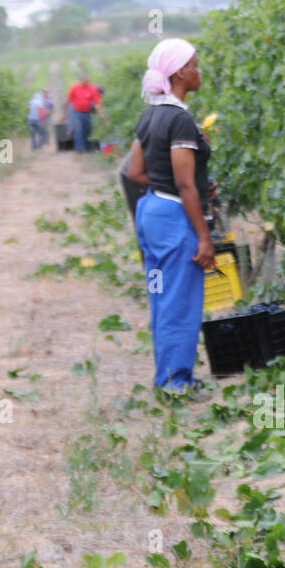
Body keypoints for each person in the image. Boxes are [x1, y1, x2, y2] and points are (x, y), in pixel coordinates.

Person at [125, 38, 220, 397]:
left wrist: (191, 184)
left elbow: (136, 172)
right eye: (194, 65)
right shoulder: (179, 119)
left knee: (162, 297)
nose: (199, 71)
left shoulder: (151, 113)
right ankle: (177, 383)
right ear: (180, 71)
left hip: (150, 211)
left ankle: (167, 378)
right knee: (180, 300)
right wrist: (205, 238)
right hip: (173, 216)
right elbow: (184, 183)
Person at [66, 75, 102, 153]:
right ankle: (79, 148)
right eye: (85, 81)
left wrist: (101, 115)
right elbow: (68, 101)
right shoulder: (75, 88)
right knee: (78, 129)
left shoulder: (91, 89)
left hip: (87, 113)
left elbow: (97, 103)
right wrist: (65, 114)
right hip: (76, 113)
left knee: (87, 129)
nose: (86, 83)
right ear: (81, 80)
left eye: (87, 82)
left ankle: (88, 147)